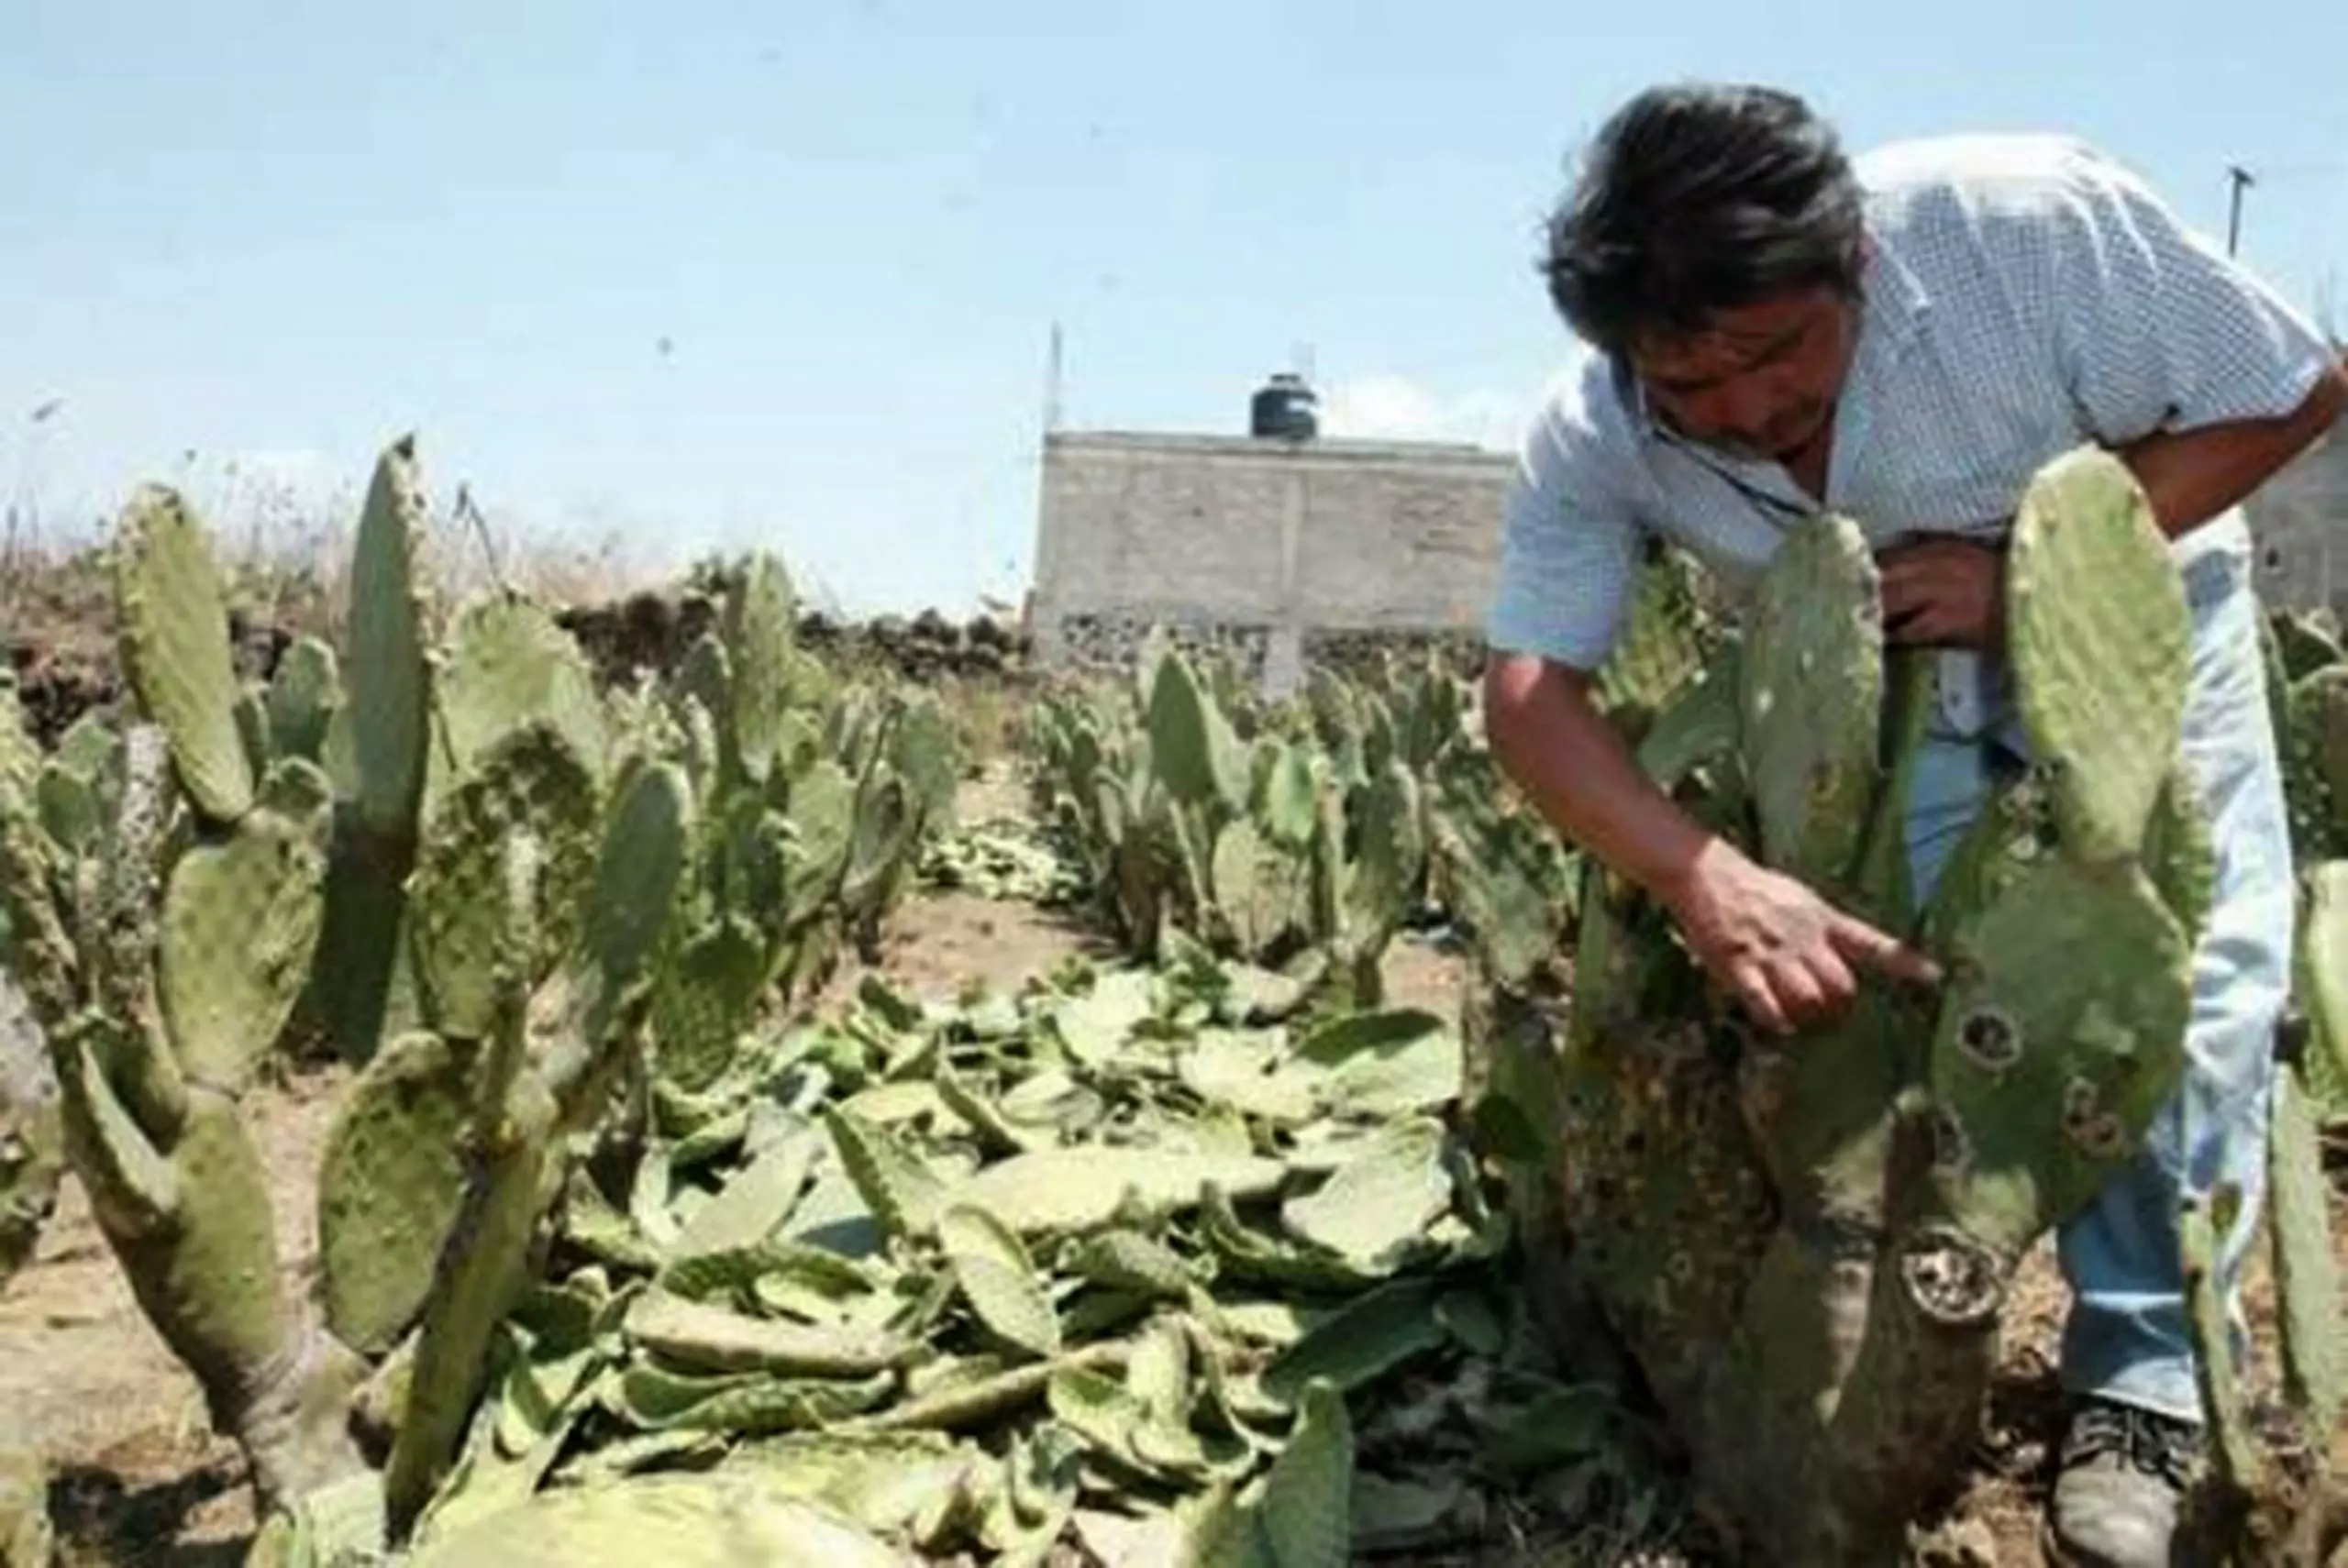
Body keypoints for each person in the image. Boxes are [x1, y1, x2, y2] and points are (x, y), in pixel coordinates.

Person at [1482, 82, 2346, 1568]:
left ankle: (2141, 1378)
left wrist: (2036, 570)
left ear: (1856, 264)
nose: (1749, 413)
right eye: (1691, 386)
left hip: (2129, 612)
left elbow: (2293, 385)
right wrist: (1703, 878)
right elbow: (1525, 696)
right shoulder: (1595, 430)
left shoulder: (2021, 227)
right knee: (1939, 1010)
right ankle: (1904, 1341)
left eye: (1775, 355)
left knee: (2176, 987)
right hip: (1898, 673)